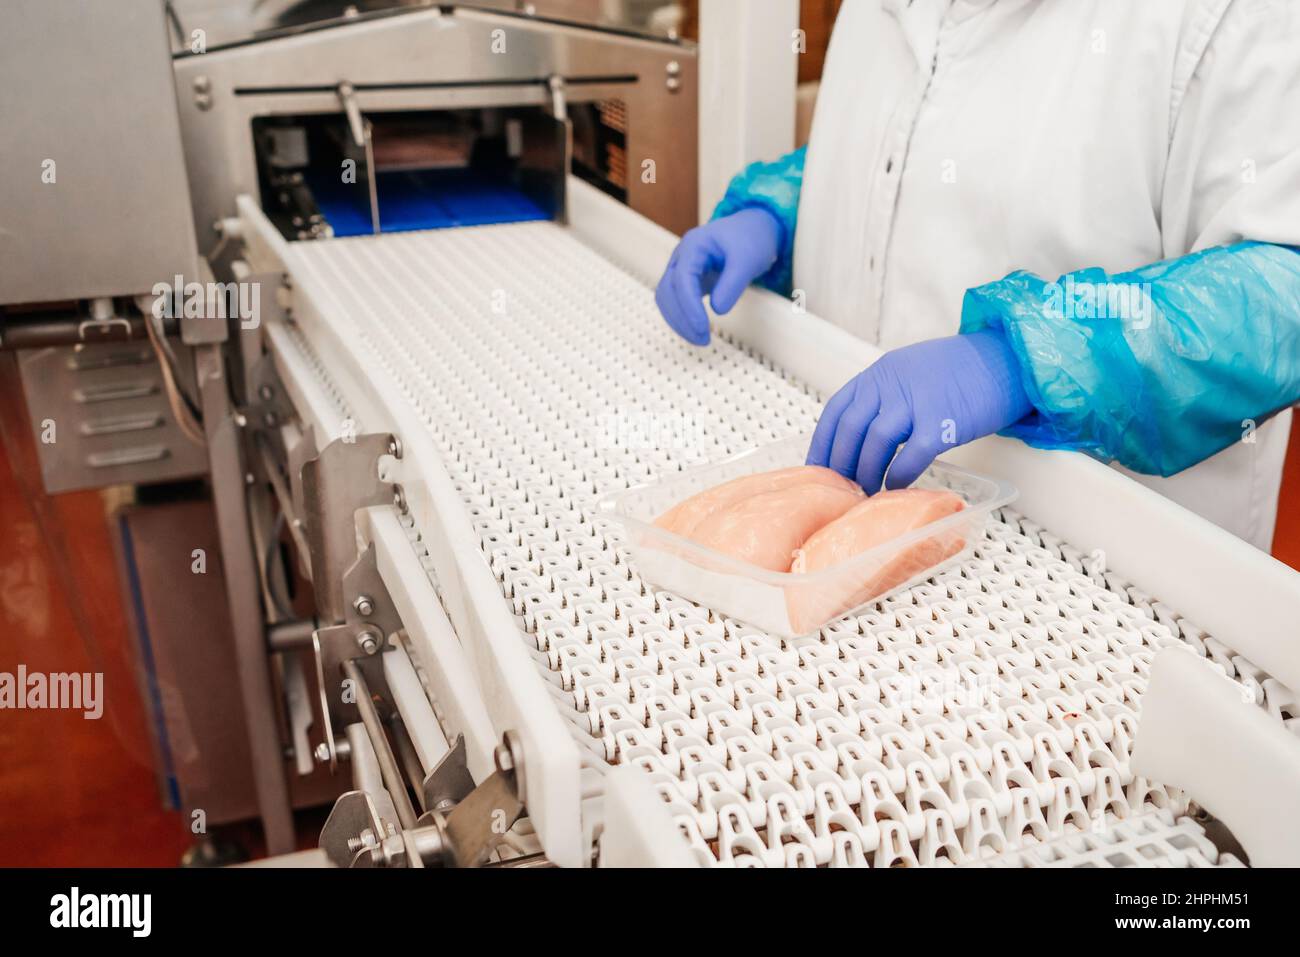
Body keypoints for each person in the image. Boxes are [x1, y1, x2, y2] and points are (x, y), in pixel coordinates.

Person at [655, 0, 1300, 552]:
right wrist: (781, 215)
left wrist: (1024, 363)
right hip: (863, 535)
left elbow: (1279, 289)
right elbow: (912, 154)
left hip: (1095, 593)